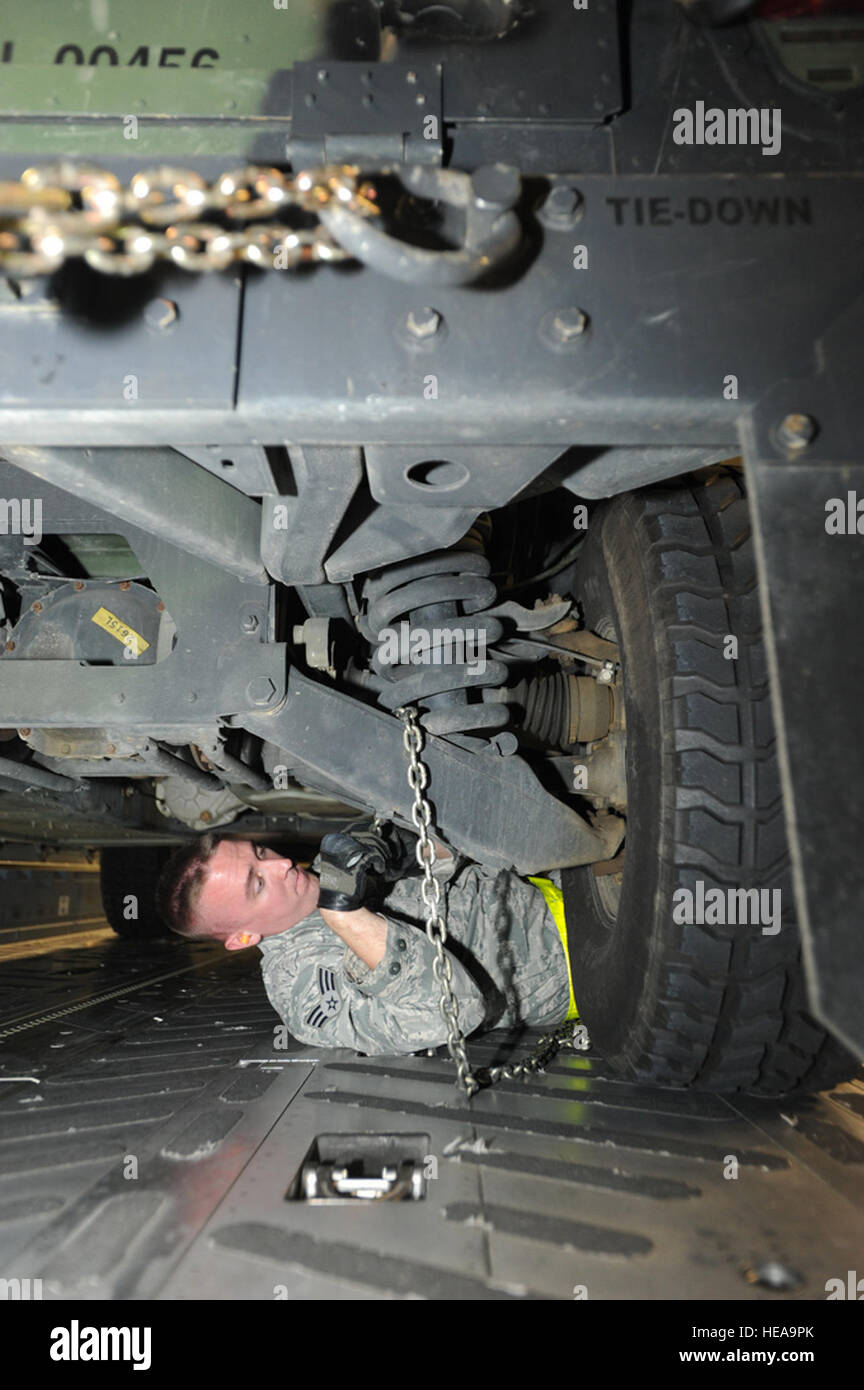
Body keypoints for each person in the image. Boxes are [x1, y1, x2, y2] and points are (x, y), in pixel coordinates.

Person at [155, 822, 579, 1057]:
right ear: (243, 937)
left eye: (260, 854)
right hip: (575, 970)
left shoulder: (332, 865)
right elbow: (454, 1011)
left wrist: (403, 846)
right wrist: (345, 916)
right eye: (257, 883)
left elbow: (464, 854)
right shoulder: (305, 995)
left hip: (564, 889)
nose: (283, 862)